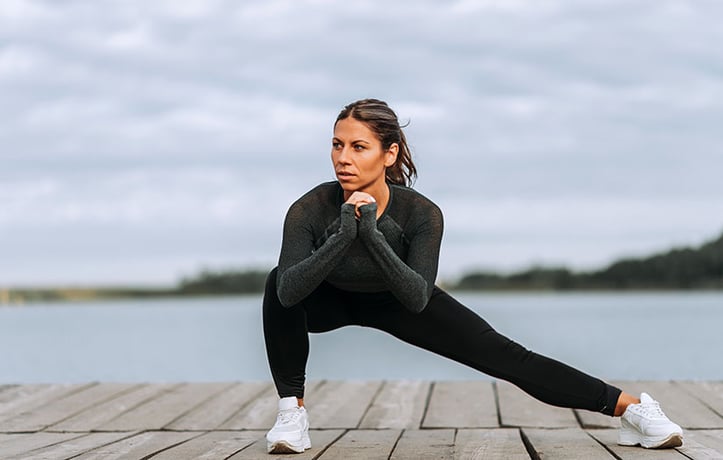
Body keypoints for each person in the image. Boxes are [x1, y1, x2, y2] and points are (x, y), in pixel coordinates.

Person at [262, 98, 683, 454]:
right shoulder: (310, 209)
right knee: (275, 281)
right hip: (328, 296)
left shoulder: (422, 215)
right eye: (337, 145)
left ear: (388, 154)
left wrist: (370, 233)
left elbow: (414, 297)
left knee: (506, 356)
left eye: (358, 146)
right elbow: (288, 291)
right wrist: (343, 233)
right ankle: (291, 413)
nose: (343, 158)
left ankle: (632, 409)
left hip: (399, 297)